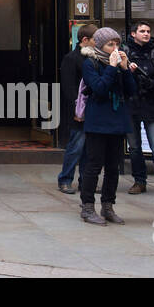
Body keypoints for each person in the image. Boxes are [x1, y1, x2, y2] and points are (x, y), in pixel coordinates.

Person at [78, 27, 138, 225]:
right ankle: (87, 207)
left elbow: (131, 91)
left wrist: (125, 69)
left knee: (113, 167)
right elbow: (100, 89)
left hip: (118, 120)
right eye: (110, 44)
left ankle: (108, 206)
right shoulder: (90, 63)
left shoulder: (119, 62)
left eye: (117, 44)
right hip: (98, 121)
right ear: (99, 44)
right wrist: (112, 68)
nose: (115, 48)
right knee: (94, 165)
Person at [123, 21, 154, 199]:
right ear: (133, 34)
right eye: (142, 31)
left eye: (148, 31)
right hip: (131, 104)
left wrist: (151, 83)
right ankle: (139, 181)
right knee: (134, 147)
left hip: (151, 104)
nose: (146, 34)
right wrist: (129, 73)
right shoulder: (125, 53)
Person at [57, 23, 96, 194]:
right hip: (79, 111)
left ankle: (85, 182)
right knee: (76, 147)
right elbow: (69, 87)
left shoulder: (96, 57)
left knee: (90, 149)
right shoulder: (71, 58)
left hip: (94, 110)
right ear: (85, 40)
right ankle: (65, 179)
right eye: (96, 39)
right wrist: (77, 109)